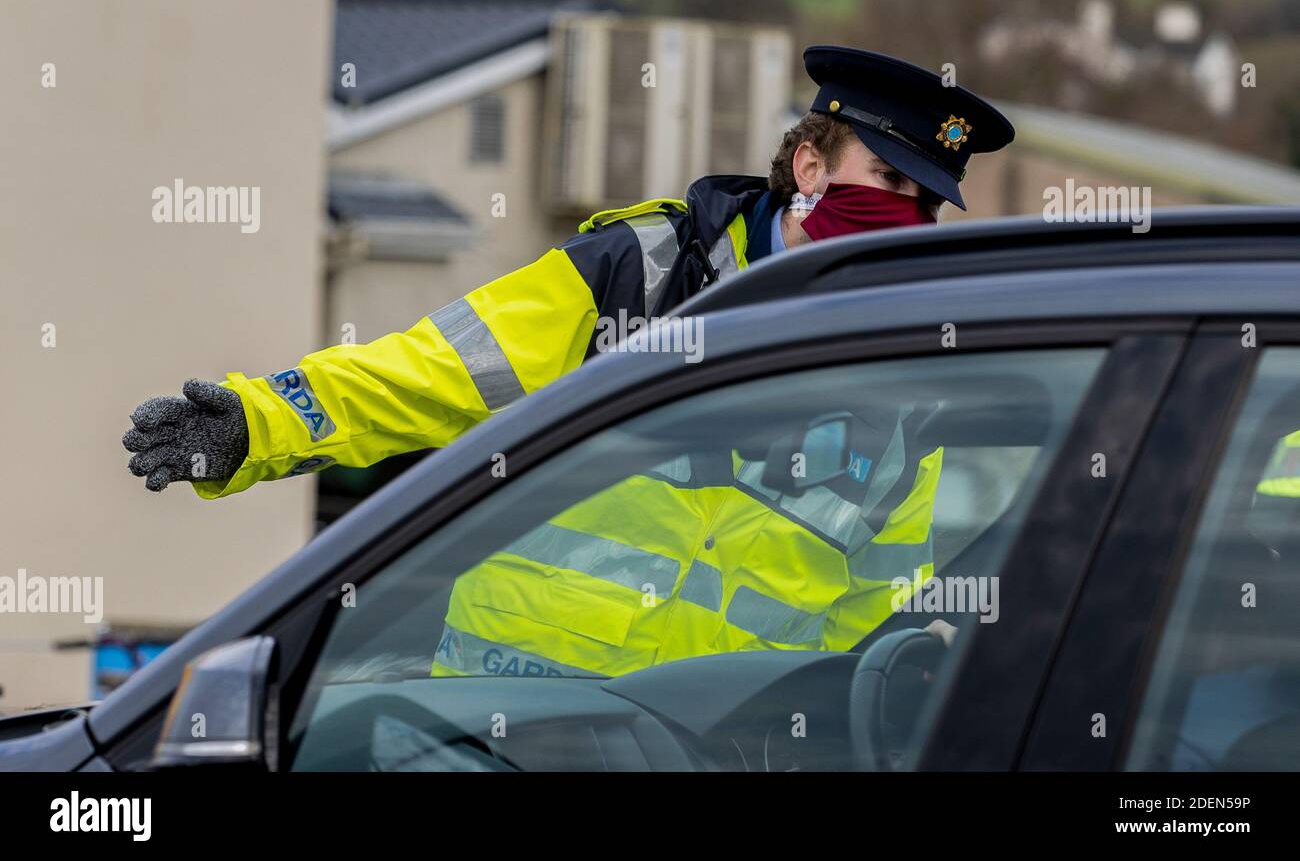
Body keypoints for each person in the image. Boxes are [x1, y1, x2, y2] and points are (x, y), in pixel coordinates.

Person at [123, 46, 1016, 676]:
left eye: (926, 203)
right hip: (510, 711)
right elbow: (431, 372)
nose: (906, 215)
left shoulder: (901, 379)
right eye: (888, 180)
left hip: (719, 745)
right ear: (810, 167)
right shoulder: (639, 269)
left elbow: (869, 620)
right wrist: (261, 422)